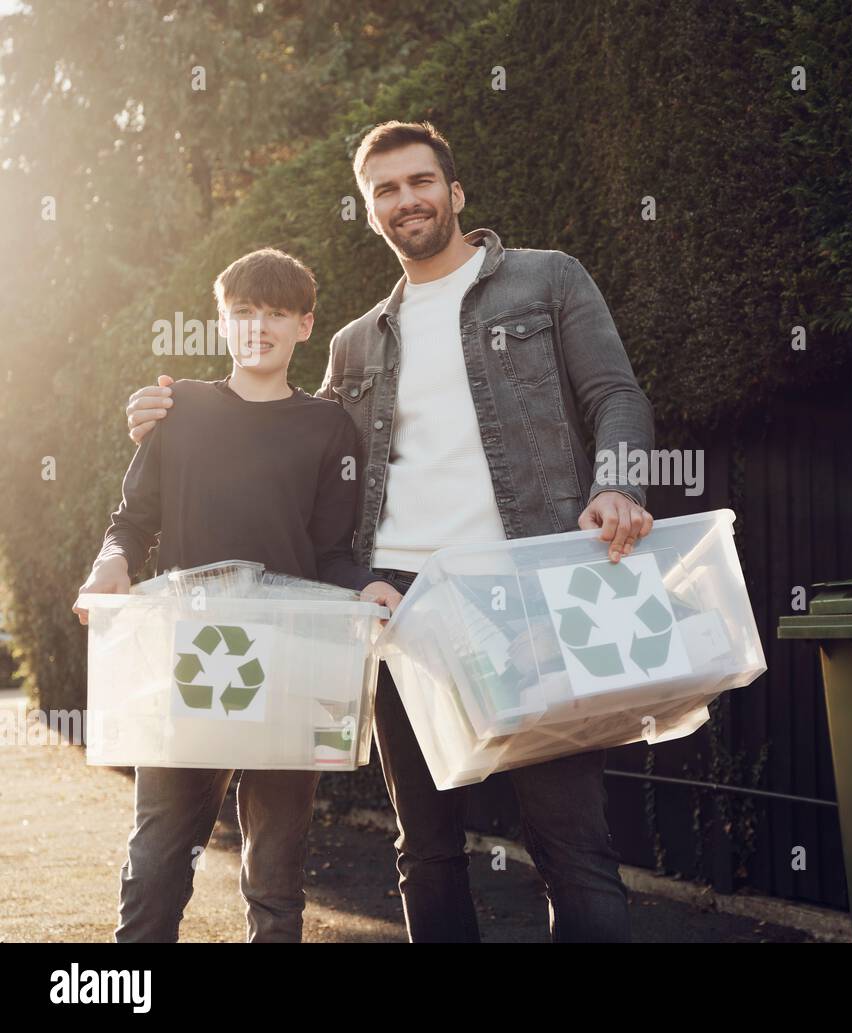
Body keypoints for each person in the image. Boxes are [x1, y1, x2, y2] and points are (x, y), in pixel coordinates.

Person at [123, 121, 657, 942]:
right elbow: (287, 442)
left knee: (571, 842)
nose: (406, 200)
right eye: (386, 191)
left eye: (420, 182)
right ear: (370, 212)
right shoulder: (354, 340)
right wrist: (172, 413)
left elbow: (617, 394)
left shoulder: (548, 281)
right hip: (403, 602)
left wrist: (617, 483)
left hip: (527, 590)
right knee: (428, 849)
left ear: (455, 191)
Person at [77, 247, 403, 942]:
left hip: (290, 661)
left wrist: (366, 585)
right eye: (244, 313)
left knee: (277, 870)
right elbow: (133, 520)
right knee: (160, 854)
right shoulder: (180, 407)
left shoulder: (328, 428)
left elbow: (330, 555)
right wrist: (111, 563)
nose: (260, 328)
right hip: (188, 660)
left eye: (277, 314)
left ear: (305, 325)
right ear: (223, 323)